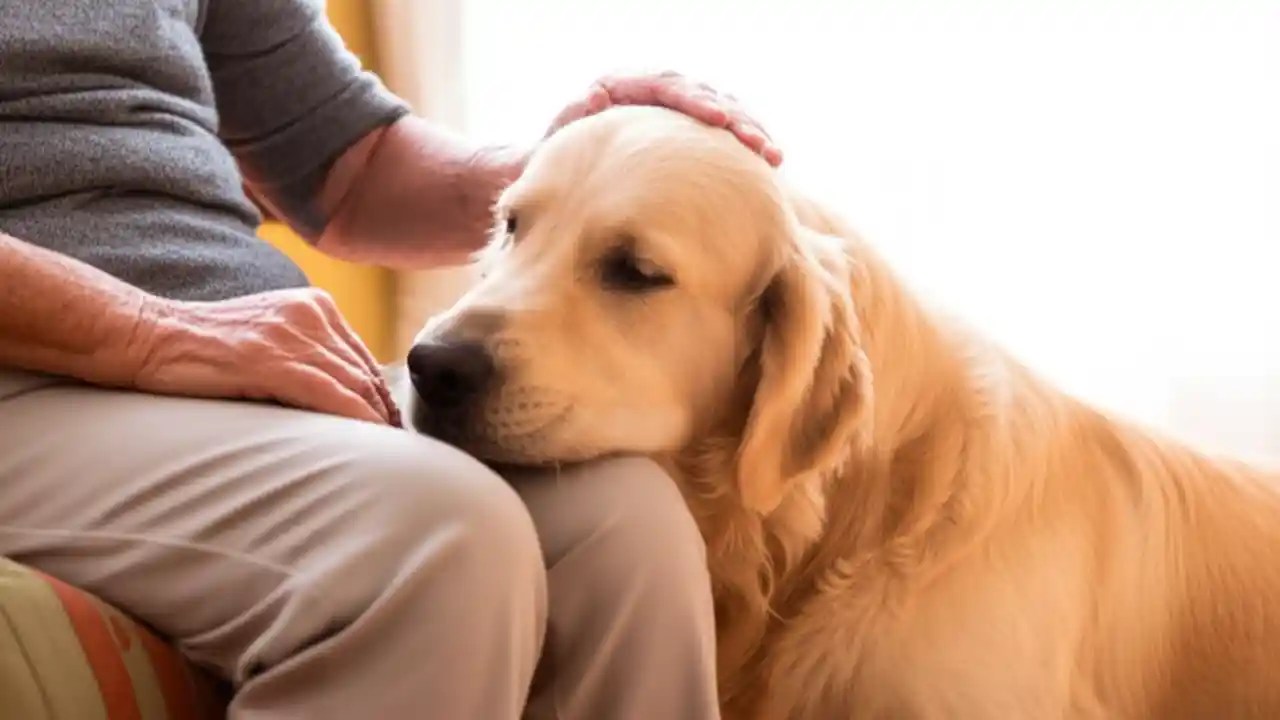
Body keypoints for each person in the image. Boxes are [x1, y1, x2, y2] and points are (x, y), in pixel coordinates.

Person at [0, 1, 782, 718]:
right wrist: (151, 332)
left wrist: (566, 170)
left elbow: (352, 168)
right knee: (438, 539)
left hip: (224, 368)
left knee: (623, 527)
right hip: (41, 370)